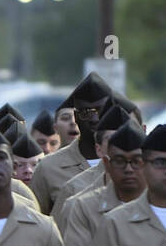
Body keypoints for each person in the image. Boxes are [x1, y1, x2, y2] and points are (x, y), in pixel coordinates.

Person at [30, 72, 114, 216]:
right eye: (86, 112)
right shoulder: (48, 168)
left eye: (101, 111)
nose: (94, 119)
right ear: (76, 117)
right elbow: (38, 224)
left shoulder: (128, 163)